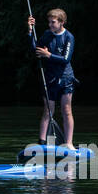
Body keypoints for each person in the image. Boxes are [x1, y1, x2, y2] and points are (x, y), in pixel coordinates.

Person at [28, 8, 76, 149]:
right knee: (48, 111)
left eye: (53, 22)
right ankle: (42, 143)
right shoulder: (47, 35)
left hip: (66, 79)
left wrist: (48, 55)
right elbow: (36, 49)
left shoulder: (68, 37)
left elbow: (66, 59)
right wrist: (30, 31)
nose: (50, 25)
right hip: (49, 79)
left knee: (66, 111)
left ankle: (69, 143)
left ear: (62, 22)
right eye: (49, 22)